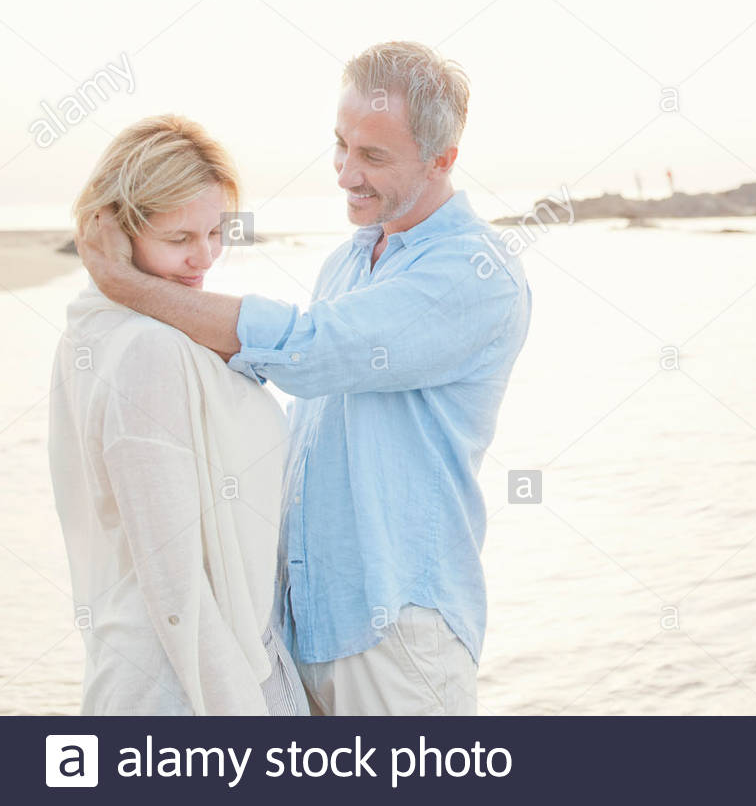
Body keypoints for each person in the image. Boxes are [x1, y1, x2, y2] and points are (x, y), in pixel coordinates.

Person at [75, 41, 532, 715]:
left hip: (393, 632)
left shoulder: (471, 273)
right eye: (341, 145)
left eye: (373, 156)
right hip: (303, 627)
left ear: (442, 159)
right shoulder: (349, 263)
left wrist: (125, 281)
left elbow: (311, 351)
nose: (347, 173)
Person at [48, 115, 309, 715]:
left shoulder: (98, 330)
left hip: (184, 666)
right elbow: (176, 590)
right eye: (179, 238)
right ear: (120, 231)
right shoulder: (148, 350)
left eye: (217, 231)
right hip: (182, 686)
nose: (205, 258)